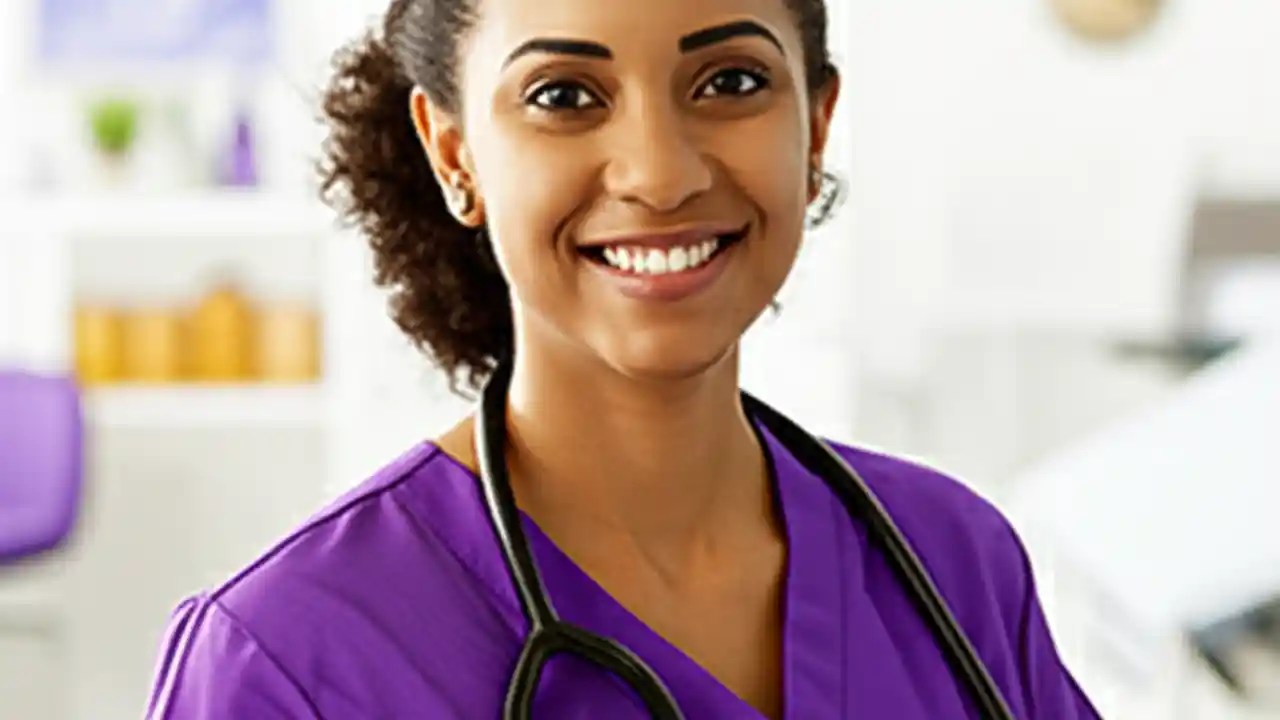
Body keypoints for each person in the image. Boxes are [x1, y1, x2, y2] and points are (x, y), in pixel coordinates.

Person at [145, 0, 1102, 717]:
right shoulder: (290, 658)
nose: (661, 171)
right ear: (454, 154)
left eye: (730, 82)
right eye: (563, 96)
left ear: (814, 127)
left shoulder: (951, 567)